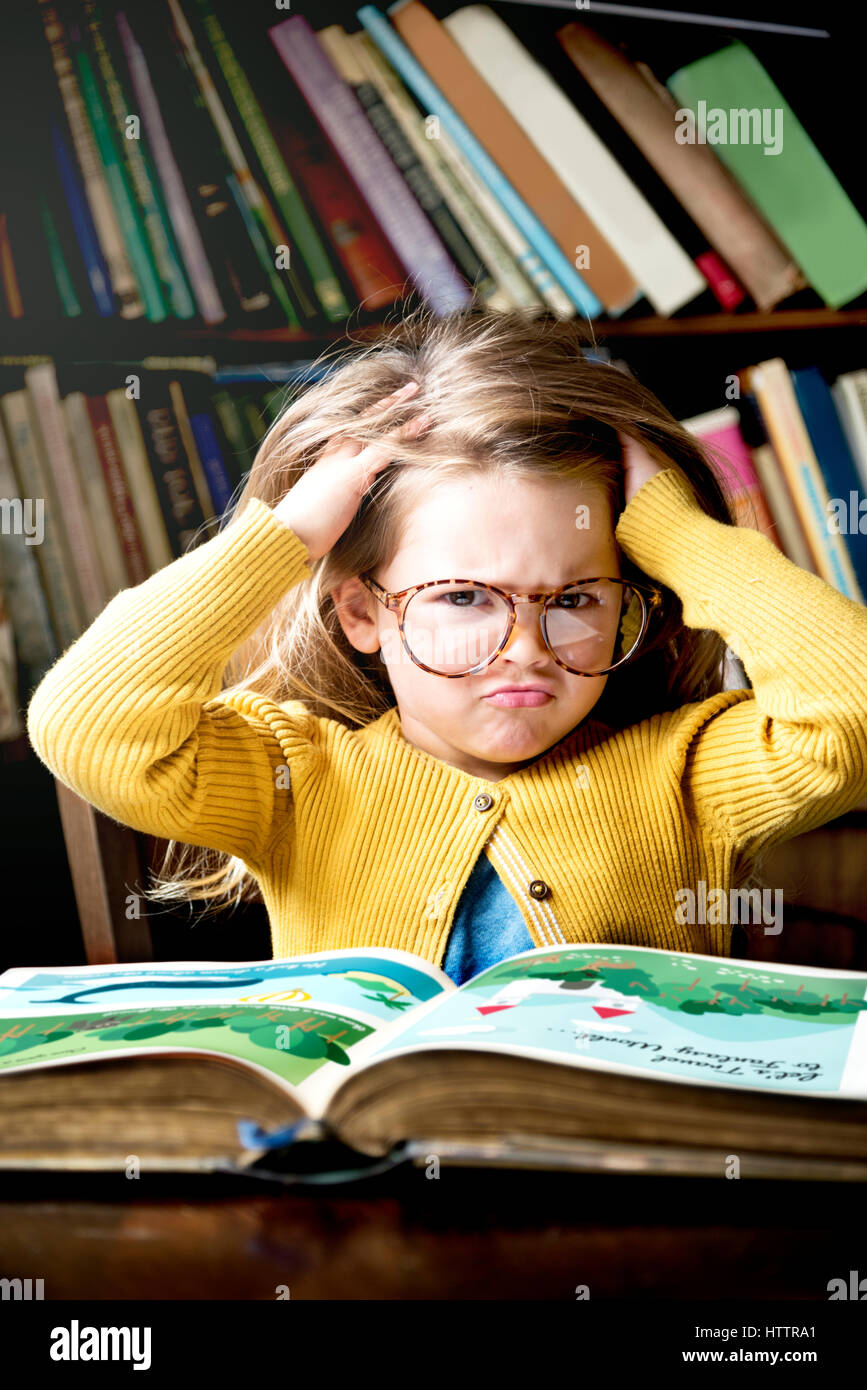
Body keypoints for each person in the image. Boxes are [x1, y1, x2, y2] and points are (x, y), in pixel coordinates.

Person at [26, 305, 867, 982]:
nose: (525, 648)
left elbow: (852, 713)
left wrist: (681, 540)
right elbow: (89, 726)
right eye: (462, 596)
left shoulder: (687, 773)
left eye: (572, 597)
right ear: (362, 614)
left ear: (627, 600)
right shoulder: (295, 779)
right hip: (361, 1185)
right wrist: (279, 539)